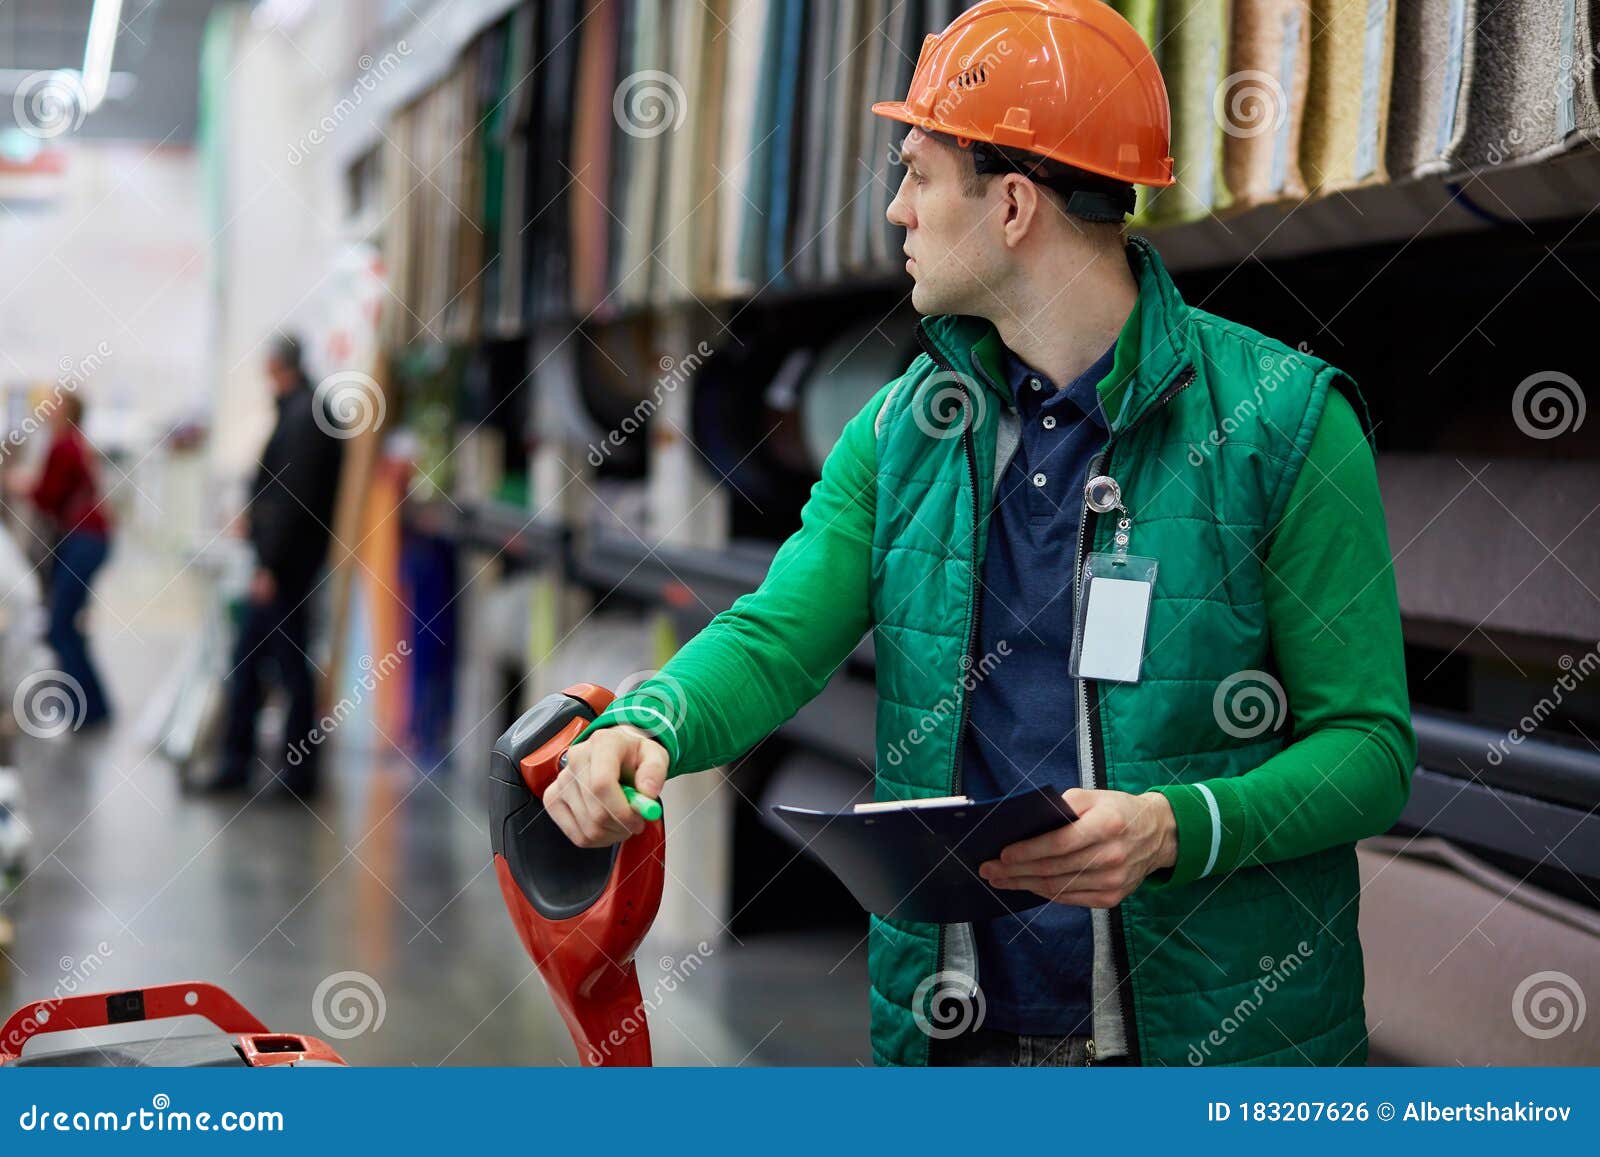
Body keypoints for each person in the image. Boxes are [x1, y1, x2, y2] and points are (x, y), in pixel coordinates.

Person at [547, 0, 1416, 1068]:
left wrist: (1175, 825)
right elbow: (776, 635)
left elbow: (1369, 750)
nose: (896, 209)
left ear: (1011, 204)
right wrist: (651, 722)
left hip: (1210, 1045)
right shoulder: (900, 433)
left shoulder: (1283, 424)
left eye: (918, 174)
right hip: (958, 1032)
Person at [215, 333, 343, 799]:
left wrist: (269, 563)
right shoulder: (304, 409)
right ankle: (250, 766)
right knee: (263, 662)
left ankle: (284, 773)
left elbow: (293, 499)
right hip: (287, 563)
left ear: (275, 364)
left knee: (280, 665)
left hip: (286, 567)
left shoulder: (304, 415)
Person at [29, 392, 113, 730]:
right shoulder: (78, 444)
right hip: (92, 540)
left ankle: (83, 708)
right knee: (69, 623)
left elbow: (47, 495)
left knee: (60, 625)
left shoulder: (63, 446)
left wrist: (20, 486)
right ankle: (94, 705)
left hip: (82, 540)